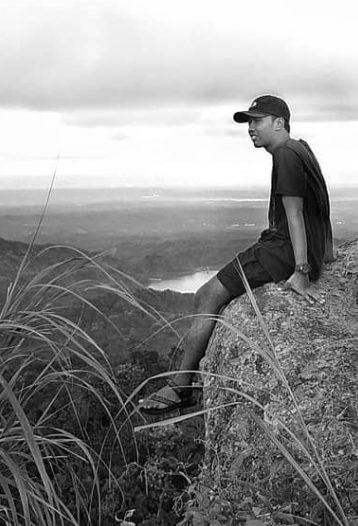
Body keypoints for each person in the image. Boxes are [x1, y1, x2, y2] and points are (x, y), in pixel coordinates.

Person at [139, 95, 334, 414]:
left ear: (279, 123)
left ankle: (180, 387)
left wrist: (301, 271)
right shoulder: (301, 148)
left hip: (280, 252)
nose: (251, 129)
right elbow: (321, 201)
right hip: (291, 247)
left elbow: (296, 213)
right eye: (249, 123)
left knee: (207, 295)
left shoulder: (285, 153)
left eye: (257, 121)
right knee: (214, 291)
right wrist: (326, 251)